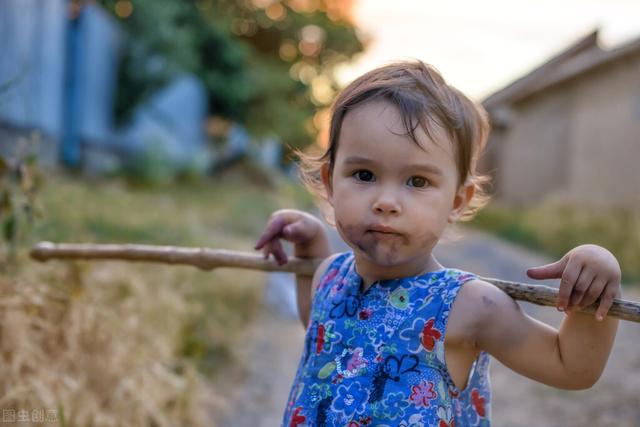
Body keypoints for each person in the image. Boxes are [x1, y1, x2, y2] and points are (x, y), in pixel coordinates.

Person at [254, 61, 621, 426]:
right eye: (364, 175)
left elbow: (570, 367)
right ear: (331, 182)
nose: (387, 201)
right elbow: (319, 326)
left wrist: (596, 271)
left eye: (417, 181)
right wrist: (311, 247)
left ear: (457, 201)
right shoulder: (328, 278)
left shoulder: (469, 304)